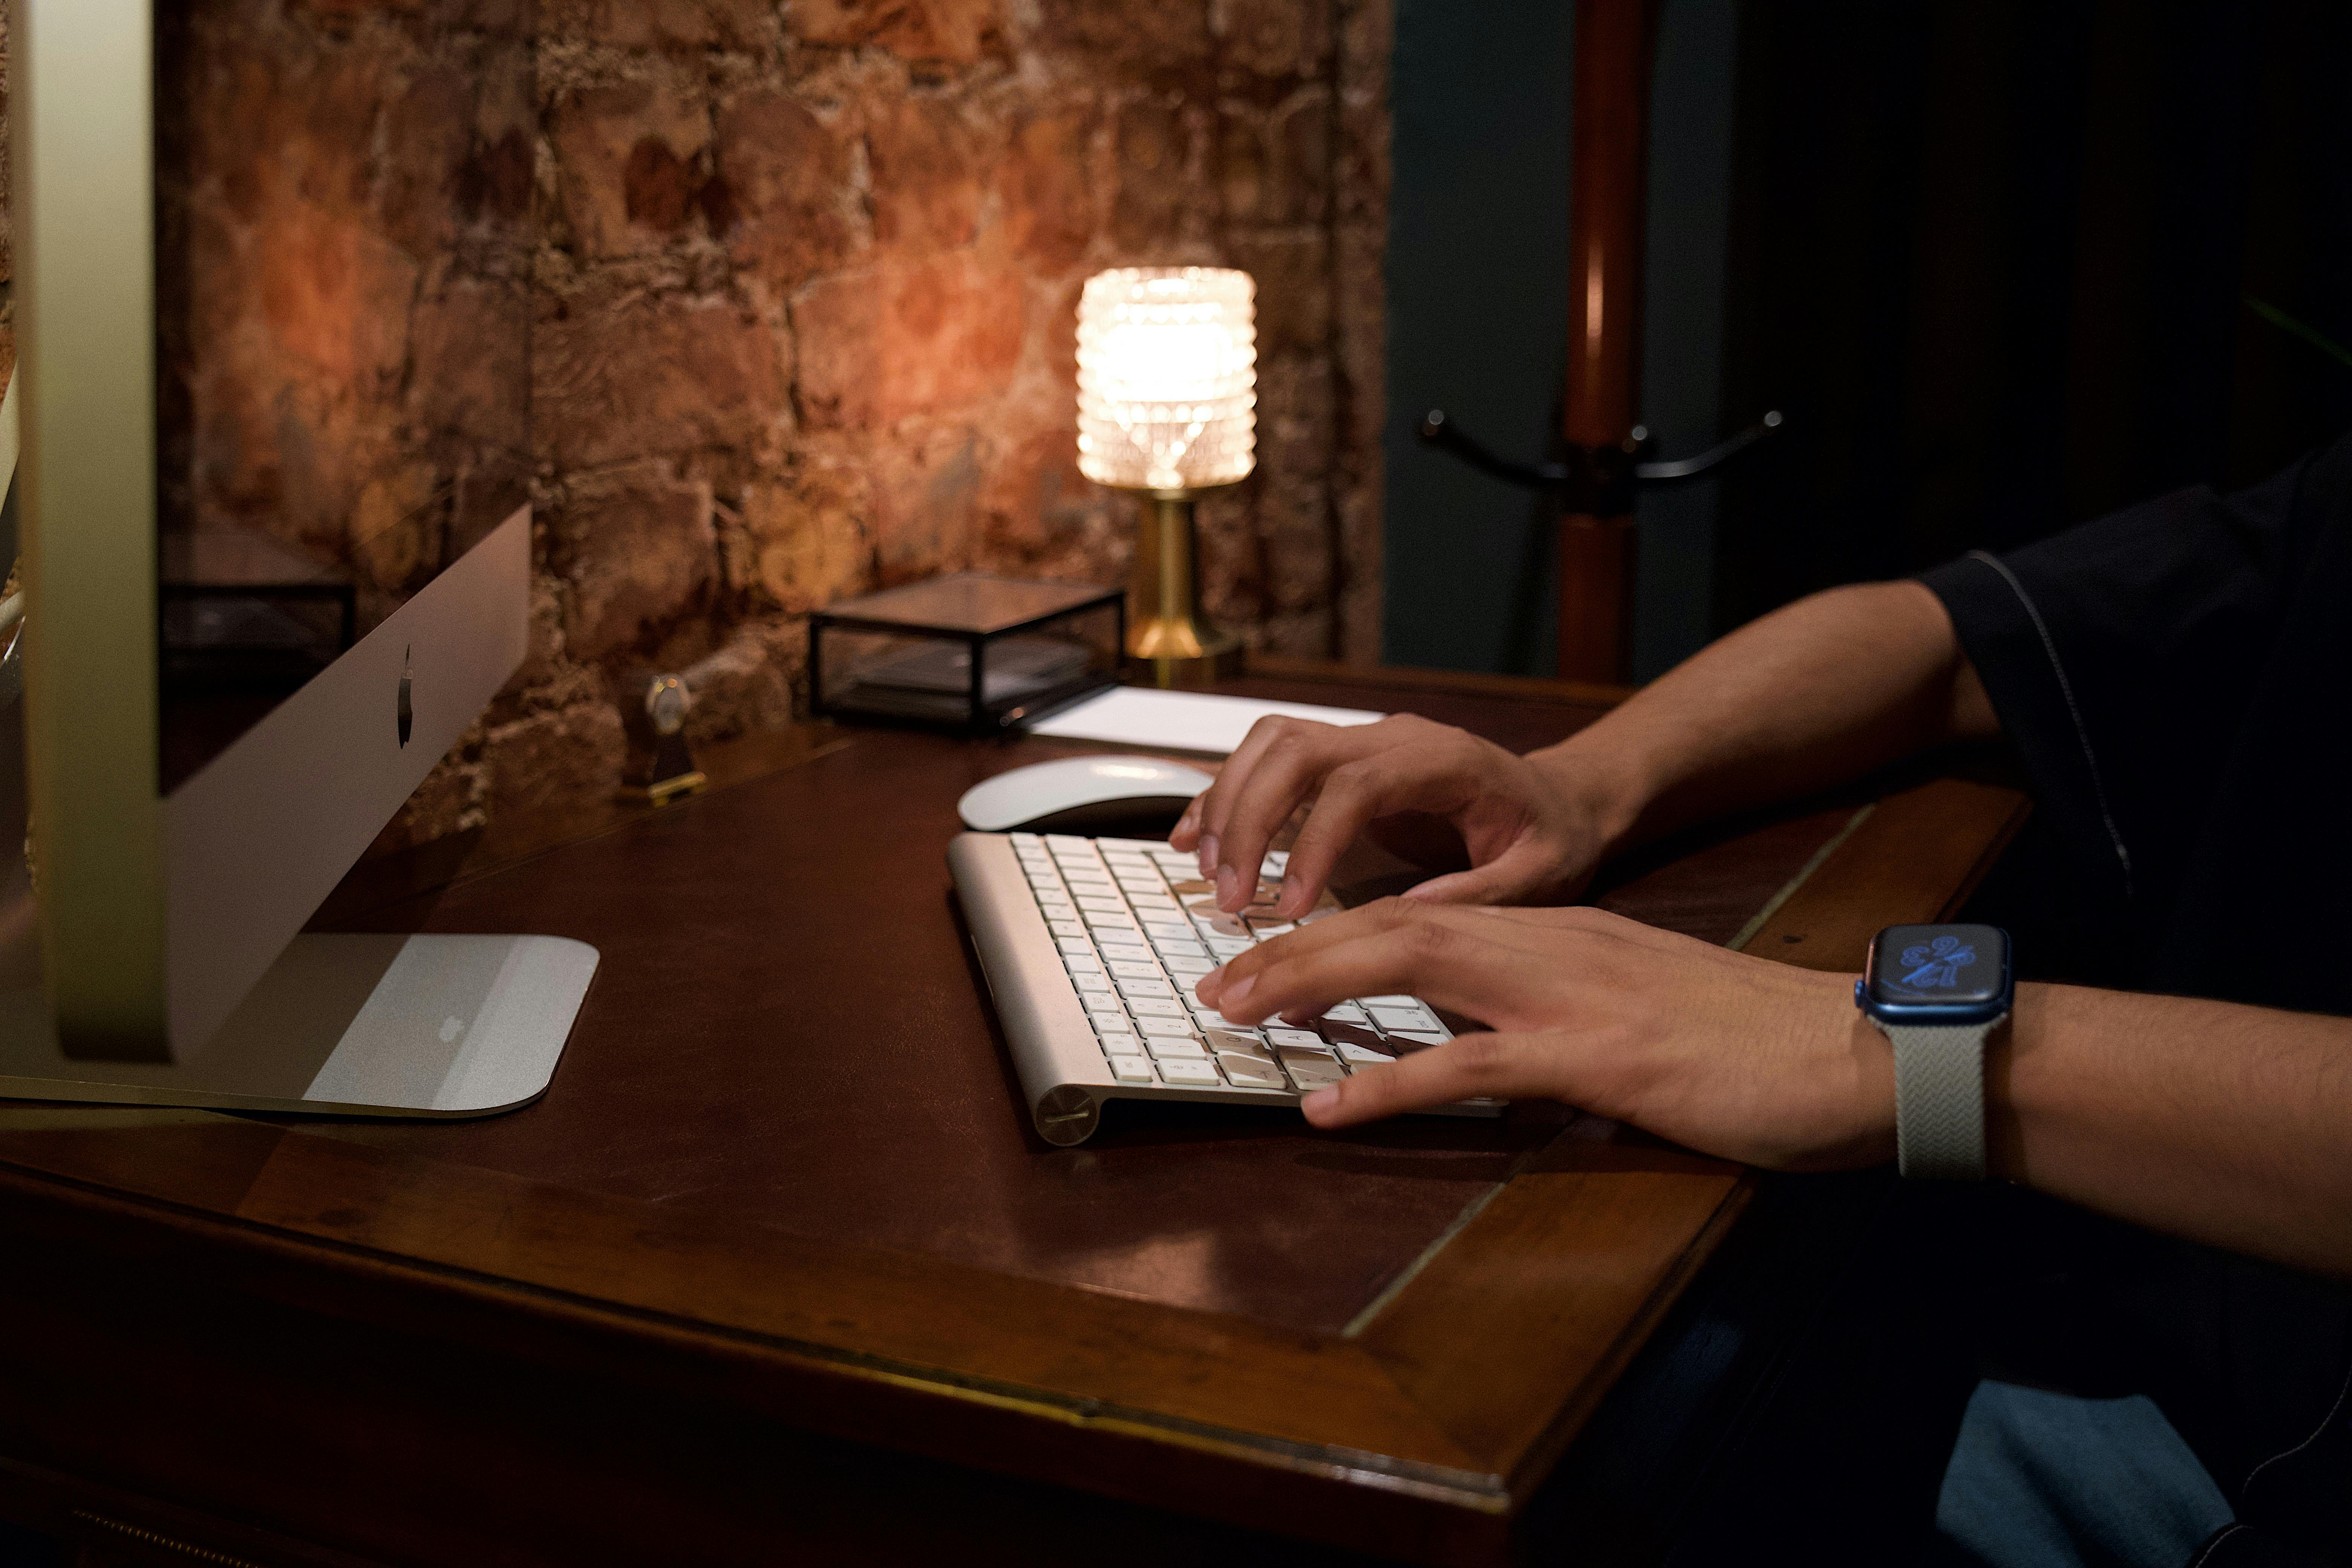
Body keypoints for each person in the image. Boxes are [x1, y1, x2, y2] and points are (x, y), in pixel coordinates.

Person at [1175, 434, 2352, 1566]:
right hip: (2125, 1327)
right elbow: (1952, 632)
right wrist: (1579, 787)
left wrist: (1881, 1053)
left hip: (2230, 1482)